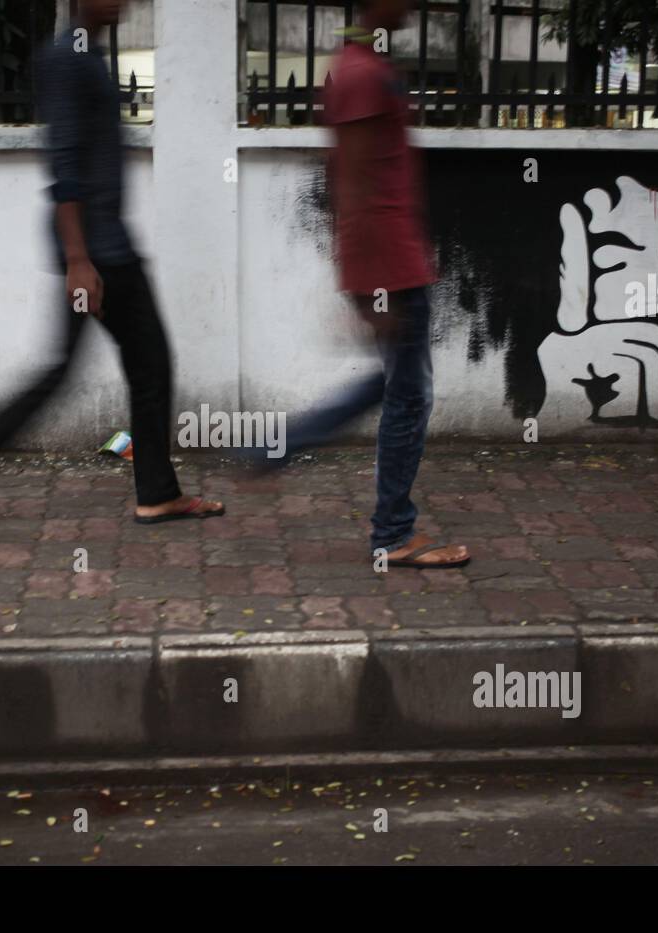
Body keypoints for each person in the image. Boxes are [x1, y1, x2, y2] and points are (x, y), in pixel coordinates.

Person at [0, 0, 224, 542]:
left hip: (109, 244)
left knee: (149, 364)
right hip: (93, 251)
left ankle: (157, 493)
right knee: (69, 372)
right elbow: (62, 163)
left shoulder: (87, 54)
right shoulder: (66, 58)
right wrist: (79, 261)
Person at [257, 0, 468, 569]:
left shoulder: (368, 68)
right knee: (409, 396)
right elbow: (346, 185)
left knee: (396, 387)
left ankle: (280, 447)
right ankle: (393, 533)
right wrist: (364, 283)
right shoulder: (359, 74)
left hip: (399, 261)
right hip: (389, 269)